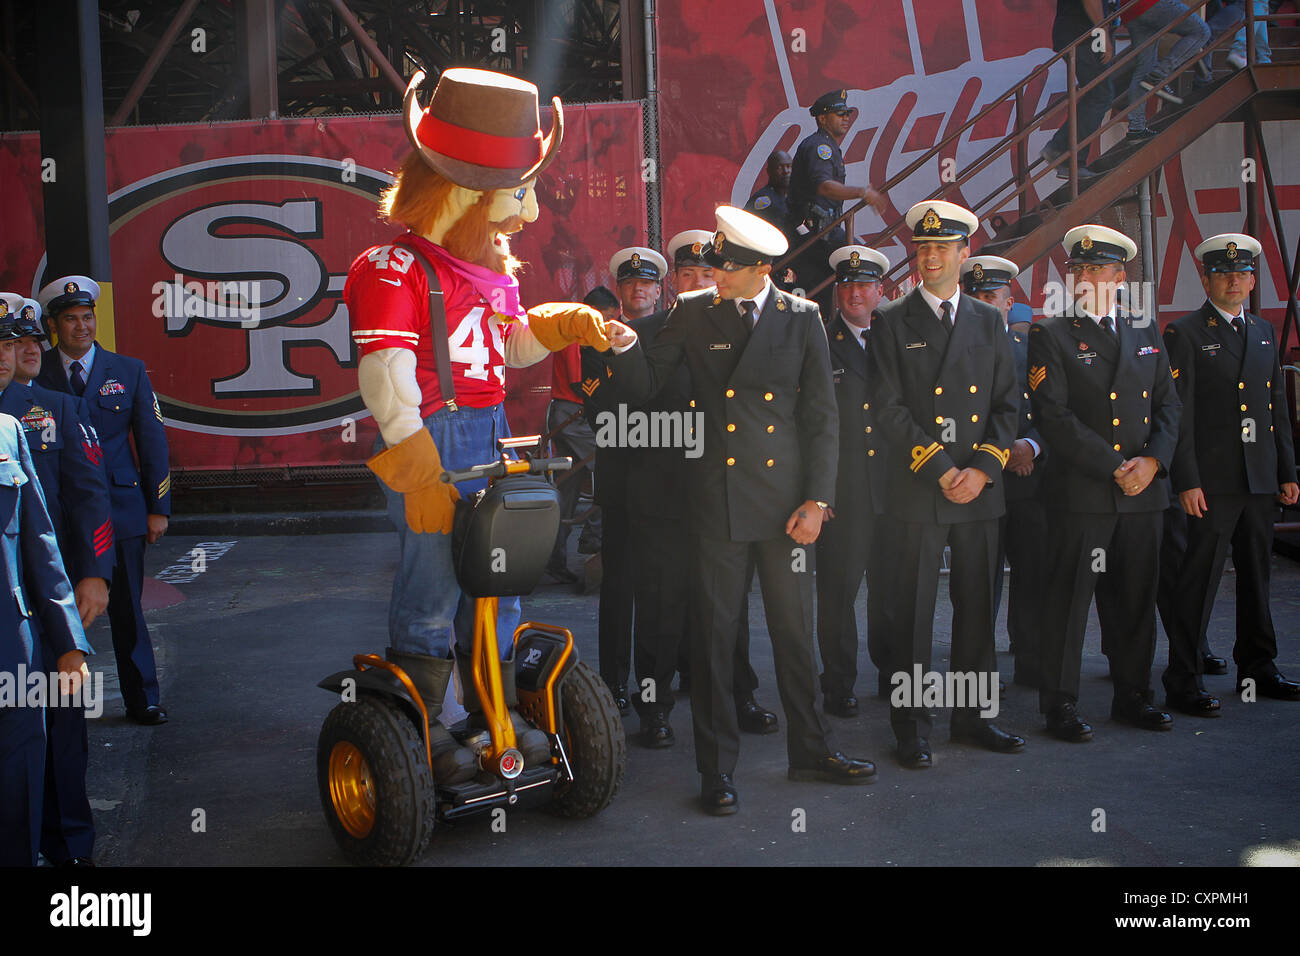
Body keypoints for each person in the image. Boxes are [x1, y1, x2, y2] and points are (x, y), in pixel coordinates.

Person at [344, 68, 611, 779]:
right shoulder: (393, 266)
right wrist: (415, 463)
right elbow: (385, 376)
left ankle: (494, 715)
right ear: (465, 189)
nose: (526, 209)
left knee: (498, 584)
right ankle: (421, 729)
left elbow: (509, 346)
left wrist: (560, 324)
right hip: (433, 435)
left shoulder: (492, 269)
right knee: (432, 586)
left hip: (490, 430)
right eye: (516, 190)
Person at [605, 206, 877, 815]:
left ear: (760, 269)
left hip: (786, 508)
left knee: (793, 635)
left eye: (726, 267)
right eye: (713, 264)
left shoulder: (802, 316)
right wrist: (622, 342)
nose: (712, 274)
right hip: (717, 503)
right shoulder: (693, 313)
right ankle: (716, 770)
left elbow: (820, 418)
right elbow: (646, 385)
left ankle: (811, 752)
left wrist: (818, 499)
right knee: (714, 638)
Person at [868, 201, 1025, 769]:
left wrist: (982, 468)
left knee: (978, 609)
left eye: (943, 248)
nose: (931, 257)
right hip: (919, 487)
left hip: (979, 490)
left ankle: (974, 717)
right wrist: (941, 469)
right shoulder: (890, 319)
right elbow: (886, 409)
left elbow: (1008, 405)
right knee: (911, 614)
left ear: (964, 253)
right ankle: (910, 727)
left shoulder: (989, 320)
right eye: (923, 247)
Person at [1028, 224, 1181, 740]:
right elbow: (1054, 416)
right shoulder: (1052, 334)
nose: (1087, 277)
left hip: (1144, 494)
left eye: (1098, 268)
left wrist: (1154, 463)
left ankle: (1134, 695)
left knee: (1136, 598)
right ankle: (1060, 704)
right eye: (1079, 269)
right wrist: (1117, 466)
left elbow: (1168, 406)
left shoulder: (1145, 329)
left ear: (1120, 276)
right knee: (1068, 602)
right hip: (1086, 493)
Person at [1163, 233, 1299, 708]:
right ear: (1206, 278)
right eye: (1224, 273)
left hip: (1259, 477)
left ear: (1252, 278)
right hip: (1212, 482)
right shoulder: (1186, 333)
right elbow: (1177, 414)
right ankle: (1183, 676)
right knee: (1198, 579)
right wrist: (1187, 479)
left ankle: (1258, 667)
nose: (1234, 281)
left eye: (1242, 273)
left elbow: (1274, 405)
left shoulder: (1262, 331)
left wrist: (1287, 470)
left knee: (1257, 576)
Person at [0, 295, 111, 867]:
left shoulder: (55, 410)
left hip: (48, 597)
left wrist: (93, 575)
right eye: (8, 343)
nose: (16, 353)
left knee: (61, 730)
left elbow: (90, 496)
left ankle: (69, 849)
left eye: (23, 343)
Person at [36, 276, 170, 727]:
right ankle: (61, 705)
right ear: (54, 325)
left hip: (123, 511)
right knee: (60, 608)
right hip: (60, 516)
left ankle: (143, 699)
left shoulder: (127, 370)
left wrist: (158, 508)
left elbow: (152, 443)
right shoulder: (38, 372)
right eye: (70, 319)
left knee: (128, 609)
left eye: (87, 317)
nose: (81, 327)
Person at [662, 230, 776, 732]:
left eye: (709, 273)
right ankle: (658, 700)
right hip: (675, 478)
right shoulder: (673, 323)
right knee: (674, 598)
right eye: (689, 274)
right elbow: (647, 392)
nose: (704, 281)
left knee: (726, 605)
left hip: (729, 486)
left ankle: (738, 693)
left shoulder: (745, 322)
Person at [0, 392, 92, 865]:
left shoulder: (9, 432)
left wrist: (69, 643)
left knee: (21, 777)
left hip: (13, 647)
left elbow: (40, 541)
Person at [581, 246, 666, 712]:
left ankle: (654, 693)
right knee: (618, 590)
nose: (639, 289)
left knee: (658, 590)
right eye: (631, 282)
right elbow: (601, 414)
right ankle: (612, 684)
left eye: (647, 282)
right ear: (620, 290)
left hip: (668, 482)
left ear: (659, 289)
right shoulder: (596, 338)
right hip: (620, 481)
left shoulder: (674, 334)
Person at [959, 257, 1046, 686]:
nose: (986, 305)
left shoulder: (1031, 351)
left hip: (1026, 479)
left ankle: (1030, 659)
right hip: (978, 481)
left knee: (1031, 575)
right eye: (976, 296)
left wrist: (1029, 446)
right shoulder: (952, 350)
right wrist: (995, 454)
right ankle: (977, 668)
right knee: (978, 579)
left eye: (993, 297)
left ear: (1009, 303)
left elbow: (1053, 409)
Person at [815, 245, 891, 715]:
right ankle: (838, 683)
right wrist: (819, 491)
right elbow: (811, 423)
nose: (855, 293)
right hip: (843, 490)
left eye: (864, 285)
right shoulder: (820, 341)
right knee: (839, 592)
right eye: (847, 285)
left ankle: (890, 673)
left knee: (890, 588)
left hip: (893, 487)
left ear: (880, 290)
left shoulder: (897, 337)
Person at [787, 90, 888, 312]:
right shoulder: (818, 146)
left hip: (824, 232)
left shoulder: (828, 145)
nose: (846, 118)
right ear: (822, 119)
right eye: (839, 113)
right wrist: (863, 192)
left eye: (847, 113)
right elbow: (824, 186)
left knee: (824, 295)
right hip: (814, 234)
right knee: (862, 264)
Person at [545, 286, 617, 584]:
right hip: (574, 413)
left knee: (568, 487)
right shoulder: (578, 337)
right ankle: (595, 539)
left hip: (569, 413)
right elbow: (582, 385)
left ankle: (553, 557)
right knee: (612, 468)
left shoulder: (577, 335)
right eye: (607, 319)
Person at [1040, 1, 1114, 178]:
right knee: (1100, 95)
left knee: (1097, 94)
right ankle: (1065, 155)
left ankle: (1062, 150)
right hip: (1082, 35)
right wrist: (1103, 33)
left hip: (1077, 34)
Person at [1122, 0, 1209, 138]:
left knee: (1143, 68)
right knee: (1201, 32)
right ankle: (1158, 75)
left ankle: (1136, 128)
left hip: (1129, 10)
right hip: (1153, 4)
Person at [745, 150, 792, 232]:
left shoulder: (796, 197)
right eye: (779, 167)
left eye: (788, 166)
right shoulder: (763, 199)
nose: (786, 171)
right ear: (769, 171)